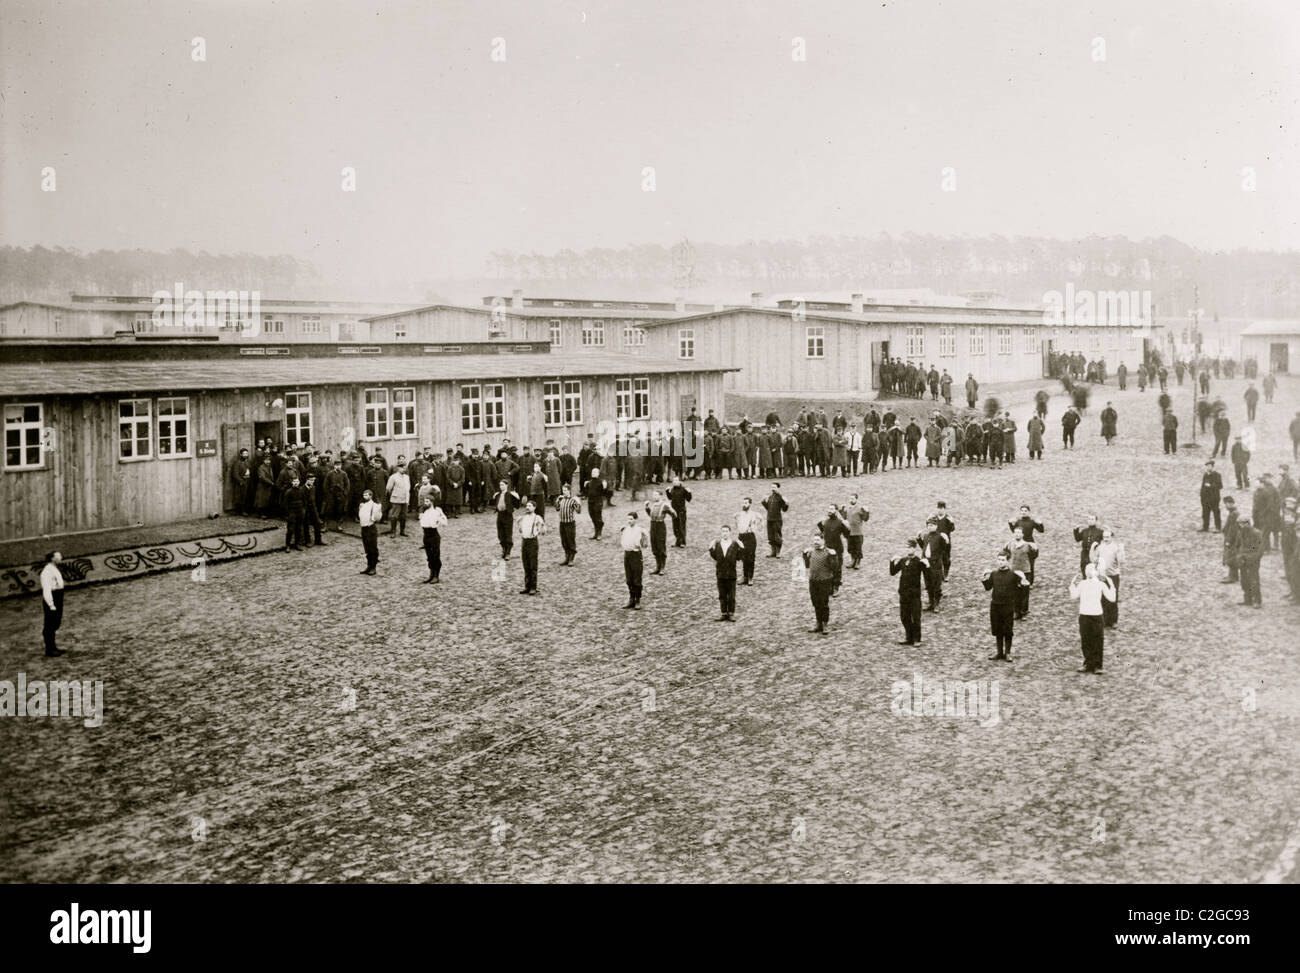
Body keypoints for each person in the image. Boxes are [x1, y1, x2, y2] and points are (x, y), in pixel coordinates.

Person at [982, 551, 1028, 661]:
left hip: (1008, 606)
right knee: (997, 629)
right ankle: (999, 653)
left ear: (1008, 561)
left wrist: (1023, 579)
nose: (1001, 562)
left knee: (1007, 629)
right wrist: (984, 577)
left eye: (1003, 560)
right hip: (995, 605)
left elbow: (1021, 590)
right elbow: (988, 587)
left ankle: (1007, 653)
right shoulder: (994, 574)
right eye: (999, 560)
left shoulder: (1013, 575)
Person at [1070, 564, 1116, 674]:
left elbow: (1112, 598)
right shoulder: (1082, 584)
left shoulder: (1101, 585)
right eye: (1088, 570)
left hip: (1096, 615)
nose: (1089, 572)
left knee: (1097, 641)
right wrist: (1072, 585)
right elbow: (1074, 596)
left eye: (1092, 570)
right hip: (1084, 615)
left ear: (1096, 572)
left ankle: (1097, 666)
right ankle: (1088, 664)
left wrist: (1111, 584)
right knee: (1085, 641)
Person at [890, 539, 928, 646]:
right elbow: (893, 572)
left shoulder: (919, 561)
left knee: (915, 617)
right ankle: (909, 637)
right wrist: (892, 561)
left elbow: (928, 576)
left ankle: (917, 639)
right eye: (907, 547)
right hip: (903, 593)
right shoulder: (903, 560)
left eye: (910, 547)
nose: (908, 549)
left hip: (914, 594)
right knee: (904, 617)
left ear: (915, 549)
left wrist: (927, 565)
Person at [803, 533, 838, 634]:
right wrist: (805, 554)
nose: (815, 542)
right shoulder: (812, 552)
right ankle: (818, 623)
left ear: (823, 541)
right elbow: (807, 565)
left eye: (818, 540)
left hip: (824, 581)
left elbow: (834, 567)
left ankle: (825, 624)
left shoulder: (828, 552)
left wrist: (833, 555)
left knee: (824, 603)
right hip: (813, 581)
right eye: (814, 540)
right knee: (816, 603)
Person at [1090, 527, 1123, 628]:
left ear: (1111, 537)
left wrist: (1121, 550)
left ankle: (1113, 621)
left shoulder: (1116, 547)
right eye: (1104, 537)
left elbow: (1121, 561)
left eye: (1108, 537)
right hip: (1102, 576)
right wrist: (1092, 548)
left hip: (1113, 576)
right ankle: (1104, 620)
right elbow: (1093, 560)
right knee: (1103, 598)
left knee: (1113, 598)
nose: (1106, 539)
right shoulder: (1100, 547)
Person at [709, 525, 742, 621]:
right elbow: (715, 556)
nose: (725, 533)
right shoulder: (718, 544)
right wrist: (711, 548)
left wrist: (742, 547)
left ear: (730, 532)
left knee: (731, 596)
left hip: (731, 575)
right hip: (720, 574)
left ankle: (731, 613)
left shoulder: (734, 544)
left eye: (727, 531)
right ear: (721, 533)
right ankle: (723, 613)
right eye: (723, 531)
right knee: (722, 595)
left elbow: (739, 557)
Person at [1004, 527, 1038, 620]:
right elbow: (1005, 554)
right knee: (1014, 592)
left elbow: (1034, 556)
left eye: (1019, 533)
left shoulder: (1028, 545)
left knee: (1024, 592)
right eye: (1016, 533)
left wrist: (1035, 549)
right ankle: (1016, 611)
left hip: (1025, 571)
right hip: (1013, 571)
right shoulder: (1010, 544)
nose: (1017, 534)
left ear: (1023, 534)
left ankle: (1024, 612)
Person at [619, 511, 649, 609]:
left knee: (637, 578)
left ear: (635, 519)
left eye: (631, 519)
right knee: (629, 579)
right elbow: (623, 541)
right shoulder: (626, 529)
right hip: (627, 554)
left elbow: (645, 544)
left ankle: (637, 600)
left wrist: (643, 538)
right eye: (628, 519)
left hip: (636, 555)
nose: (629, 521)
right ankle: (631, 599)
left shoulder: (640, 530)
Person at [1233, 516, 1263, 607]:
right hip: (1243, 560)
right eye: (1240, 524)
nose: (1241, 526)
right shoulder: (1240, 533)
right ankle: (1247, 599)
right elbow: (1237, 546)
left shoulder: (1257, 533)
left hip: (1252, 560)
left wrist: (1253, 559)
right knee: (1244, 580)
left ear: (1248, 523)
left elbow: (1260, 549)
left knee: (1254, 580)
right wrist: (1239, 556)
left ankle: (1257, 601)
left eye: (1243, 523)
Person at [517, 500, 546, 595]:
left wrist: (540, 527)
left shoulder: (537, 518)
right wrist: (518, 523)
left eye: (529, 506)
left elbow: (543, 530)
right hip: (524, 541)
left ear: (534, 508)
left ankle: (533, 587)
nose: (527, 507)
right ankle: (527, 586)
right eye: (526, 506)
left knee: (533, 565)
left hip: (532, 542)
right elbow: (521, 531)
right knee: (526, 564)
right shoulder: (523, 518)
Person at [40, 552, 66, 657]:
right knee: (50, 625)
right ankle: (49, 650)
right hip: (52, 598)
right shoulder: (47, 572)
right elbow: (47, 590)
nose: (60, 558)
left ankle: (53, 647)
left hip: (58, 597)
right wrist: (51, 604)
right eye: (58, 556)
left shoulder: (54, 569)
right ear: (52, 558)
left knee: (55, 623)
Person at [644, 489, 675, 574]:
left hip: (660, 526)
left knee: (661, 546)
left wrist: (671, 510)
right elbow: (651, 515)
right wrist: (647, 507)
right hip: (653, 525)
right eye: (653, 495)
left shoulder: (664, 504)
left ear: (661, 496)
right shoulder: (653, 505)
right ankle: (657, 567)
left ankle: (662, 567)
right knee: (654, 547)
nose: (654, 497)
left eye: (656, 495)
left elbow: (674, 515)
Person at [418, 497, 448, 583]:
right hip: (426, 535)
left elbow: (445, 523)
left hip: (434, 535)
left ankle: (436, 576)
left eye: (427, 501)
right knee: (429, 556)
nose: (425, 503)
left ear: (432, 502)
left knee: (435, 556)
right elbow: (422, 523)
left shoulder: (437, 511)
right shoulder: (425, 512)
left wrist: (439, 518)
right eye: (425, 501)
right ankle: (431, 575)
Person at [736, 498, 763, 585]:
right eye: (743, 503)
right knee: (743, 557)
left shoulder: (754, 514)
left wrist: (756, 526)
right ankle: (745, 577)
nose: (744, 504)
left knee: (750, 558)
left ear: (750, 504)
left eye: (746, 503)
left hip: (750, 537)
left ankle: (750, 577)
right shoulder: (739, 514)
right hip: (741, 537)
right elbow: (737, 523)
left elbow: (761, 521)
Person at [491, 480, 520, 559]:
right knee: (500, 534)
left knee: (508, 534)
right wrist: (494, 497)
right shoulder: (498, 494)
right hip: (500, 515)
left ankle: (508, 552)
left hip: (508, 515)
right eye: (500, 485)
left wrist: (517, 497)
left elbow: (517, 506)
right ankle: (503, 550)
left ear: (507, 485)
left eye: (503, 485)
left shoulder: (510, 494)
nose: (501, 486)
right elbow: (495, 504)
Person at [555, 483, 582, 565]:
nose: (564, 492)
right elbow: (557, 509)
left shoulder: (572, 500)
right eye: (563, 490)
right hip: (562, 523)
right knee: (564, 541)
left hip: (570, 523)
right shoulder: (561, 499)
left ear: (569, 491)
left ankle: (571, 559)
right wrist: (557, 501)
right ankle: (566, 557)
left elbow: (578, 511)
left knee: (570, 540)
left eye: (565, 490)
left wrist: (578, 503)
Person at [358, 489, 383, 575]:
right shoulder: (362, 505)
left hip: (371, 528)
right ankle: (369, 566)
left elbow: (377, 518)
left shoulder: (374, 506)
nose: (365, 497)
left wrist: (373, 517)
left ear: (370, 496)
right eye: (364, 495)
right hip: (364, 528)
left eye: (366, 495)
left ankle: (373, 567)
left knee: (373, 548)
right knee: (367, 548)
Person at [761, 484, 788, 557]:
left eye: (774, 487)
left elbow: (784, 509)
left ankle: (778, 553)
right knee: (770, 536)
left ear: (778, 488)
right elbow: (768, 508)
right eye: (772, 487)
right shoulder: (770, 497)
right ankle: (773, 552)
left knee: (777, 536)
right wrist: (763, 502)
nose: (773, 489)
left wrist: (786, 503)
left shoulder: (780, 497)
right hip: (769, 519)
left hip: (777, 519)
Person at [584, 467, 611, 540]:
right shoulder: (589, 482)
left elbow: (605, 494)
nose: (593, 473)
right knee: (592, 517)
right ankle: (596, 533)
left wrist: (605, 487)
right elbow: (586, 494)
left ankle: (599, 533)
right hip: (590, 502)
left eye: (595, 472)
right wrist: (585, 486)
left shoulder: (601, 482)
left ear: (598, 474)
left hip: (598, 502)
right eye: (592, 472)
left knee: (598, 517)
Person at [845, 493, 870, 569]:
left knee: (858, 548)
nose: (851, 500)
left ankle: (858, 562)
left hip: (858, 532)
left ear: (856, 499)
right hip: (849, 532)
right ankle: (852, 560)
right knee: (851, 547)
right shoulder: (848, 508)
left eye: (853, 498)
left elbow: (865, 518)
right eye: (850, 498)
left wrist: (867, 512)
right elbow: (844, 518)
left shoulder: (860, 508)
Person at [282, 475, 306, 551]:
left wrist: (303, 511)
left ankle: (297, 544)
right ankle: (288, 545)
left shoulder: (301, 491)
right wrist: (288, 514)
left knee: (298, 529)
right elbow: (285, 504)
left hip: (299, 512)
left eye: (297, 481)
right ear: (292, 482)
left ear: (299, 482)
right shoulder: (288, 492)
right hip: (292, 513)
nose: (296, 483)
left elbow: (304, 502)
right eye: (294, 481)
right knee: (290, 529)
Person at [666, 475, 692, 547]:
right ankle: (677, 541)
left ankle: (683, 542)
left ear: (680, 481)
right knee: (675, 527)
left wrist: (689, 492)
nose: (674, 482)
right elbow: (670, 498)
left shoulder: (683, 489)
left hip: (681, 511)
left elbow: (688, 499)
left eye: (676, 480)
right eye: (673, 481)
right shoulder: (672, 489)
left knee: (681, 526)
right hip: (674, 511)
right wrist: (667, 492)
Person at [1199, 461, 1223, 531]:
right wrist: (1201, 496)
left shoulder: (1217, 475)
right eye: (1207, 466)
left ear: (1213, 467)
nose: (1208, 467)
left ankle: (1218, 527)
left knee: (1216, 513)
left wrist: (1211, 486)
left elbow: (1220, 486)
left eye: (1210, 466)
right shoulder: (1205, 475)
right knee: (1205, 513)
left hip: (1214, 498)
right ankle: (1205, 527)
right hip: (1205, 498)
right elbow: (1202, 486)